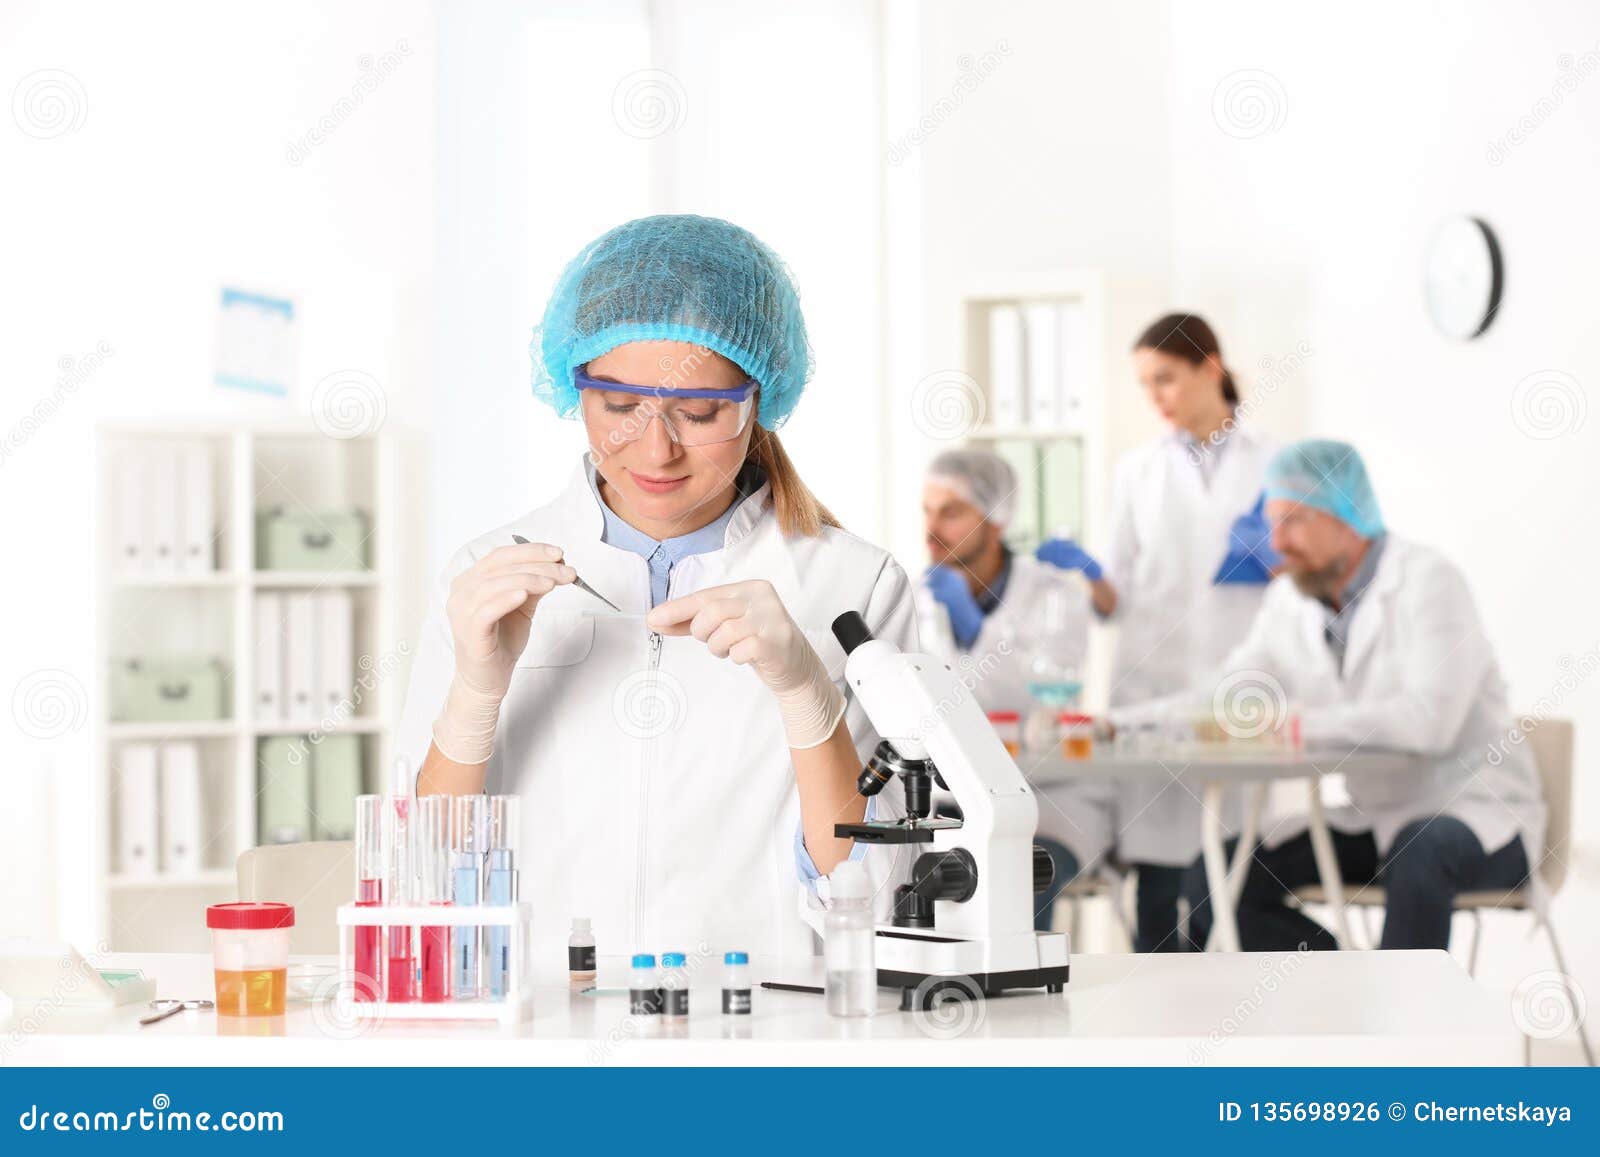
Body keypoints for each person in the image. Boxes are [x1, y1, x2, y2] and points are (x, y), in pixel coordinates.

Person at [394, 214, 918, 964]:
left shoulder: (851, 585)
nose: (655, 448)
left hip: (764, 1026)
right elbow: (416, 878)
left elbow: (873, 887)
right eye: (618, 407)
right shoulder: (485, 573)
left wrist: (810, 698)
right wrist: (476, 695)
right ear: (574, 388)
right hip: (543, 1022)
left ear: (759, 397)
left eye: (700, 412)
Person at [1174, 440, 1544, 950]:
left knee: (1419, 851)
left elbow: (1429, 723)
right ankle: (1346, 992)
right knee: (1212, 881)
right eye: (1273, 522)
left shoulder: (1429, 582)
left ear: (1346, 515)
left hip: (1478, 815)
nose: (1277, 542)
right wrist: (1120, 723)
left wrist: (1298, 724)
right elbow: (1228, 688)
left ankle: (1403, 1027)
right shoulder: (1290, 601)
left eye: (1294, 521)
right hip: (1374, 819)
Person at [1042, 313, 1280, 952]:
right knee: (1155, 879)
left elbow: (1304, 583)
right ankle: (1156, 1030)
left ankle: (1228, 1028)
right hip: (1151, 681)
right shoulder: (1136, 470)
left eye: (1167, 379)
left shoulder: (1275, 463)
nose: (1156, 399)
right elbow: (1114, 596)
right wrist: (1091, 576)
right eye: (1146, 385)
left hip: (1240, 684)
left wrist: (1276, 559)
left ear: (1211, 367)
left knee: (1227, 875)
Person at [914, 449, 1115, 930]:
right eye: (927, 510)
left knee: (1017, 877)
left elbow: (1043, 700)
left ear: (996, 520)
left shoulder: (1054, 594)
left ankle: (1020, 998)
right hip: (956, 802)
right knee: (911, 884)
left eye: (952, 512)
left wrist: (976, 633)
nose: (932, 527)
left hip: (1052, 798)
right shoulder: (918, 598)